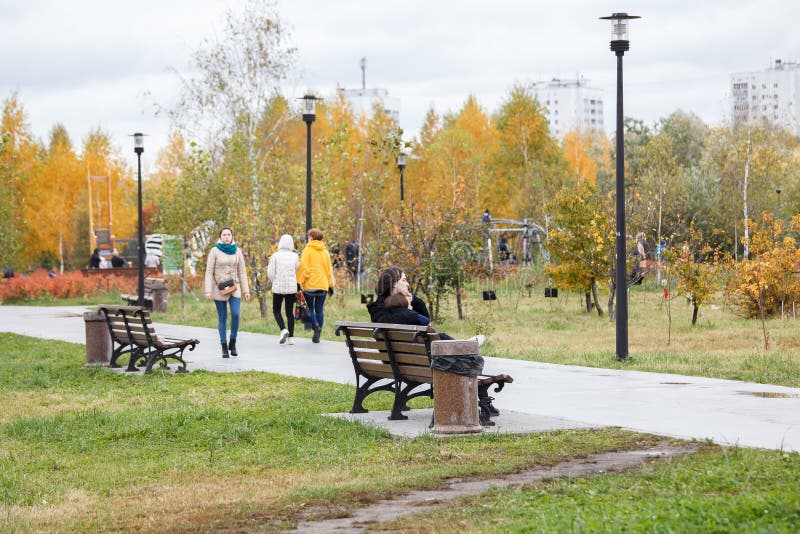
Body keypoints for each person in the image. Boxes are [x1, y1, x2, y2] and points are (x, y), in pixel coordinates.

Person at [204, 227, 250, 358]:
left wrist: (246, 290)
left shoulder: (237, 251)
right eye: (224, 234)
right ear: (220, 237)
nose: (226, 236)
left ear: (232, 236)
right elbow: (208, 272)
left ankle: (233, 342)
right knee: (222, 317)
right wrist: (208, 290)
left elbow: (242, 271)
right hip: (219, 288)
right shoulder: (214, 251)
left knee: (236, 314)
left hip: (234, 287)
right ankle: (224, 346)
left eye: (229, 234)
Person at [297, 228, 334, 343]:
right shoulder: (325, 252)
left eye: (309, 237)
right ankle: (318, 333)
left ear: (311, 238)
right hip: (323, 284)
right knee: (319, 310)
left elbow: (303, 267)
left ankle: (316, 326)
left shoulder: (307, 250)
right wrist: (331, 285)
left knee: (310, 309)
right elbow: (329, 270)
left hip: (310, 285)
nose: (308, 239)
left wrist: (300, 282)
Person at [267, 234, 299, 345]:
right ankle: (291, 338)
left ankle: (283, 329)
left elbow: (270, 273)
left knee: (276, 310)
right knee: (289, 312)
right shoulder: (295, 256)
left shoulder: (275, 256)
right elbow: (296, 270)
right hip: (291, 288)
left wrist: (274, 280)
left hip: (278, 288)